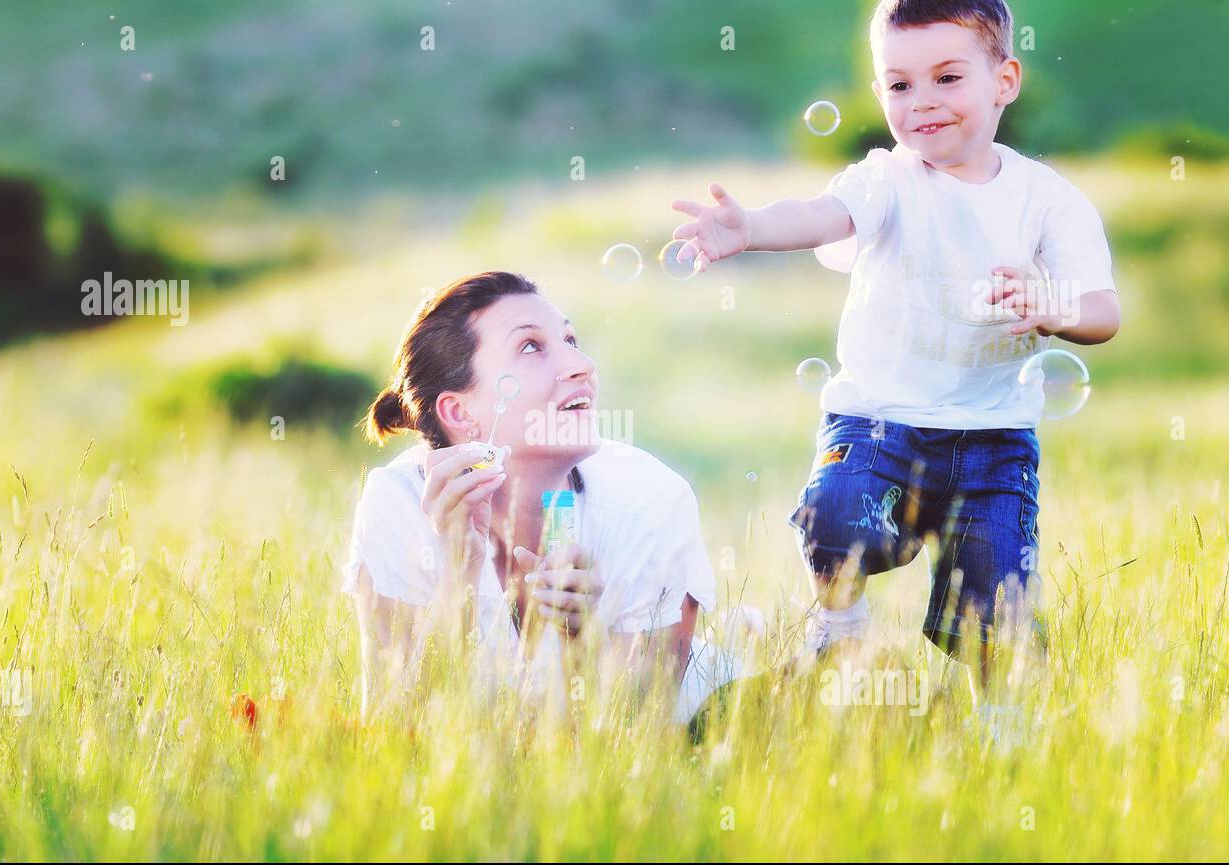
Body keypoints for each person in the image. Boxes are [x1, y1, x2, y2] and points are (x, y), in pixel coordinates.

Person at [669, 0, 1120, 683]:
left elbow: (1101, 310)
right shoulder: (888, 178)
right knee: (834, 515)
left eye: (947, 78)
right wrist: (752, 226)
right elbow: (822, 215)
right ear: (880, 93)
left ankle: (1004, 728)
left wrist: (1052, 304)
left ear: (1004, 80)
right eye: (901, 85)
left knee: (996, 603)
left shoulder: (1049, 201)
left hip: (994, 437)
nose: (923, 103)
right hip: (878, 419)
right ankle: (841, 624)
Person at [340, 270, 741, 723]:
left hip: (703, 728)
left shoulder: (651, 500)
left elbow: (641, 736)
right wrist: (458, 570)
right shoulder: (397, 504)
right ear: (459, 411)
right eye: (531, 346)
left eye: (570, 339)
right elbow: (393, 731)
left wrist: (582, 637)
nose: (582, 364)